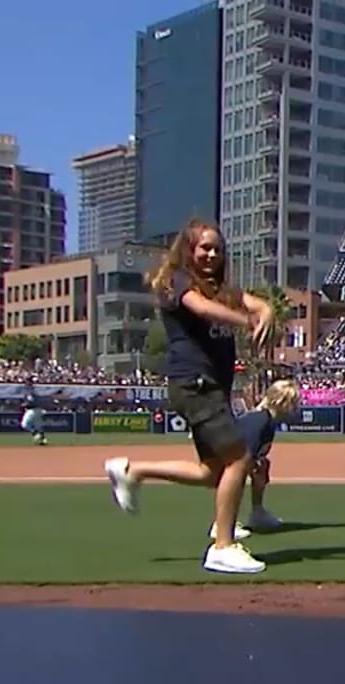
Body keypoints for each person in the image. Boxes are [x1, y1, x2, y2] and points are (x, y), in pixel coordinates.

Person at [103, 219, 274, 574]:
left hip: (210, 385)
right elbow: (201, 309)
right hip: (195, 382)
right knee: (239, 458)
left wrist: (267, 311)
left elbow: (253, 302)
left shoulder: (220, 288)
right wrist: (246, 321)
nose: (211, 254)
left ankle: (133, 471)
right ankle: (222, 546)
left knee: (213, 472)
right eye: (204, 247)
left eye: (217, 249)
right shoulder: (177, 281)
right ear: (189, 250)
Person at [208, 379, 301, 542]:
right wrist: (252, 466)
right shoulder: (260, 420)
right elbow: (241, 455)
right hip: (224, 457)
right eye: (293, 402)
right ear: (282, 403)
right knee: (240, 474)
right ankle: (221, 524)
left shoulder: (268, 420)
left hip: (234, 455)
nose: (296, 407)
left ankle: (257, 513)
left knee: (262, 466)